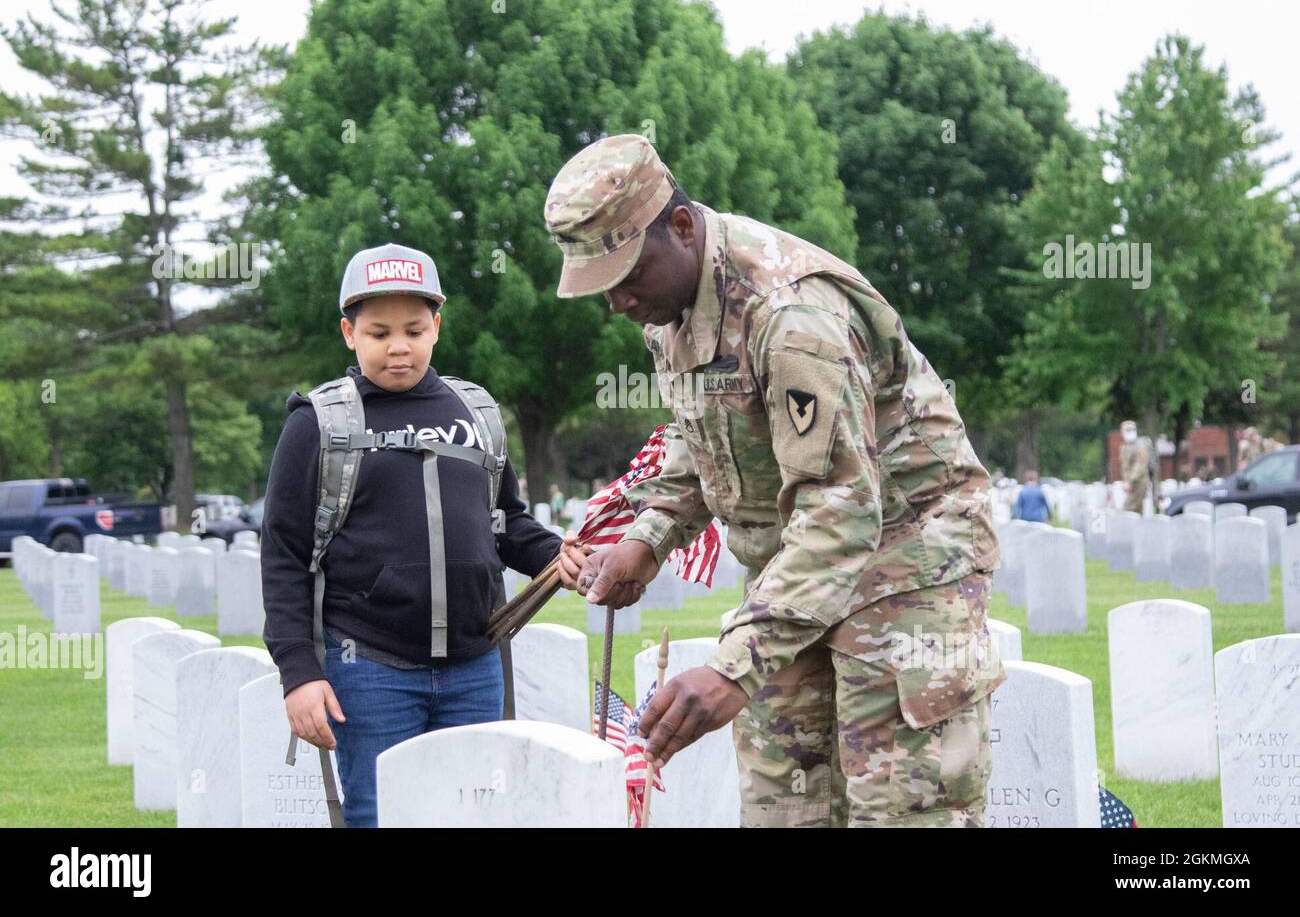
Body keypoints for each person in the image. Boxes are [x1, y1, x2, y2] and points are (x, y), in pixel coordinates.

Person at [545, 134, 1004, 827]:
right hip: (799, 569)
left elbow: (843, 509)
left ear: (680, 226)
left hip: (907, 561)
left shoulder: (791, 317)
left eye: (627, 276)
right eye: (603, 287)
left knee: (900, 807)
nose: (618, 304)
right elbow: (701, 437)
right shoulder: (671, 309)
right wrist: (647, 538)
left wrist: (733, 667)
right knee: (785, 807)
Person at [260, 242, 589, 827]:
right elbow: (284, 555)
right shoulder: (318, 424)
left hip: (474, 665)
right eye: (379, 331)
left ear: (436, 326)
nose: (398, 347)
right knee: (382, 817)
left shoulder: (475, 412)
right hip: (368, 668)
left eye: (414, 329)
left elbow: (505, 520)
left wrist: (556, 555)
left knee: (475, 818)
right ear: (348, 333)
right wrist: (299, 674)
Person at [1118, 420, 1151, 514]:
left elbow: (1139, 466)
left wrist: (1129, 481)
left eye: (1132, 430)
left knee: (1127, 509)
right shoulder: (1124, 447)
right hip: (1131, 484)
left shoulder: (1141, 445)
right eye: (1127, 430)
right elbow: (1125, 467)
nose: (1130, 432)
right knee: (1136, 511)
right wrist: (1126, 481)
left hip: (1139, 483)